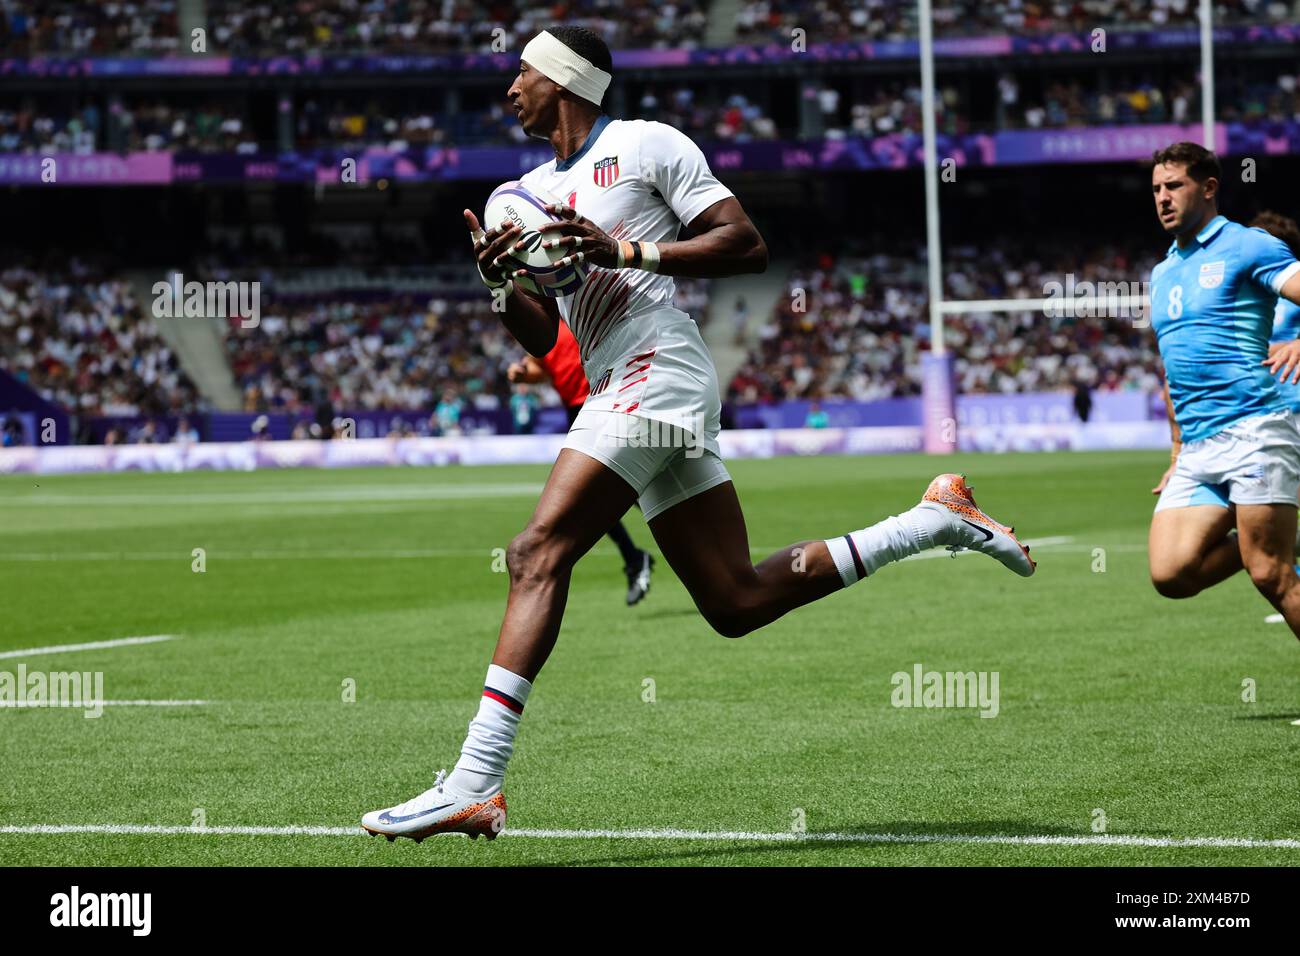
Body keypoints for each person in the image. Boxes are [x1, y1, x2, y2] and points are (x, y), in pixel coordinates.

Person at [361, 26, 1034, 843]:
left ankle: (475, 781)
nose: (509, 90)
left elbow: (746, 244)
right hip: (620, 375)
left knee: (536, 552)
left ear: (565, 79)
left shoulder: (646, 145)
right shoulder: (529, 187)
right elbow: (549, 337)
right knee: (734, 600)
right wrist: (502, 285)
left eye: (522, 73)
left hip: (658, 363)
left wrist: (628, 246)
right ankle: (932, 521)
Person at [1146, 143, 1300, 633]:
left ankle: (1269, 538)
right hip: (1197, 449)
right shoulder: (1162, 272)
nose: (1163, 198)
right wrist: (1175, 452)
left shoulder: (1248, 245)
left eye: (1174, 186)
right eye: (1156, 189)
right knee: (1170, 573)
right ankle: (1270, 531)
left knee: (1270, 573)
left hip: (1255, 429)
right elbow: (1172, 369)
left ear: (1209, 188)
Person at [507, 318, 656, 605]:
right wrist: (522, 375)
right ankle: (639, 557)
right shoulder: (543, 329)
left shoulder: (579, 314)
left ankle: (642, 557)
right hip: (579, 413)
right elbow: (542, 368)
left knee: (610, 492)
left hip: (605, 404)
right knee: (596, 495)